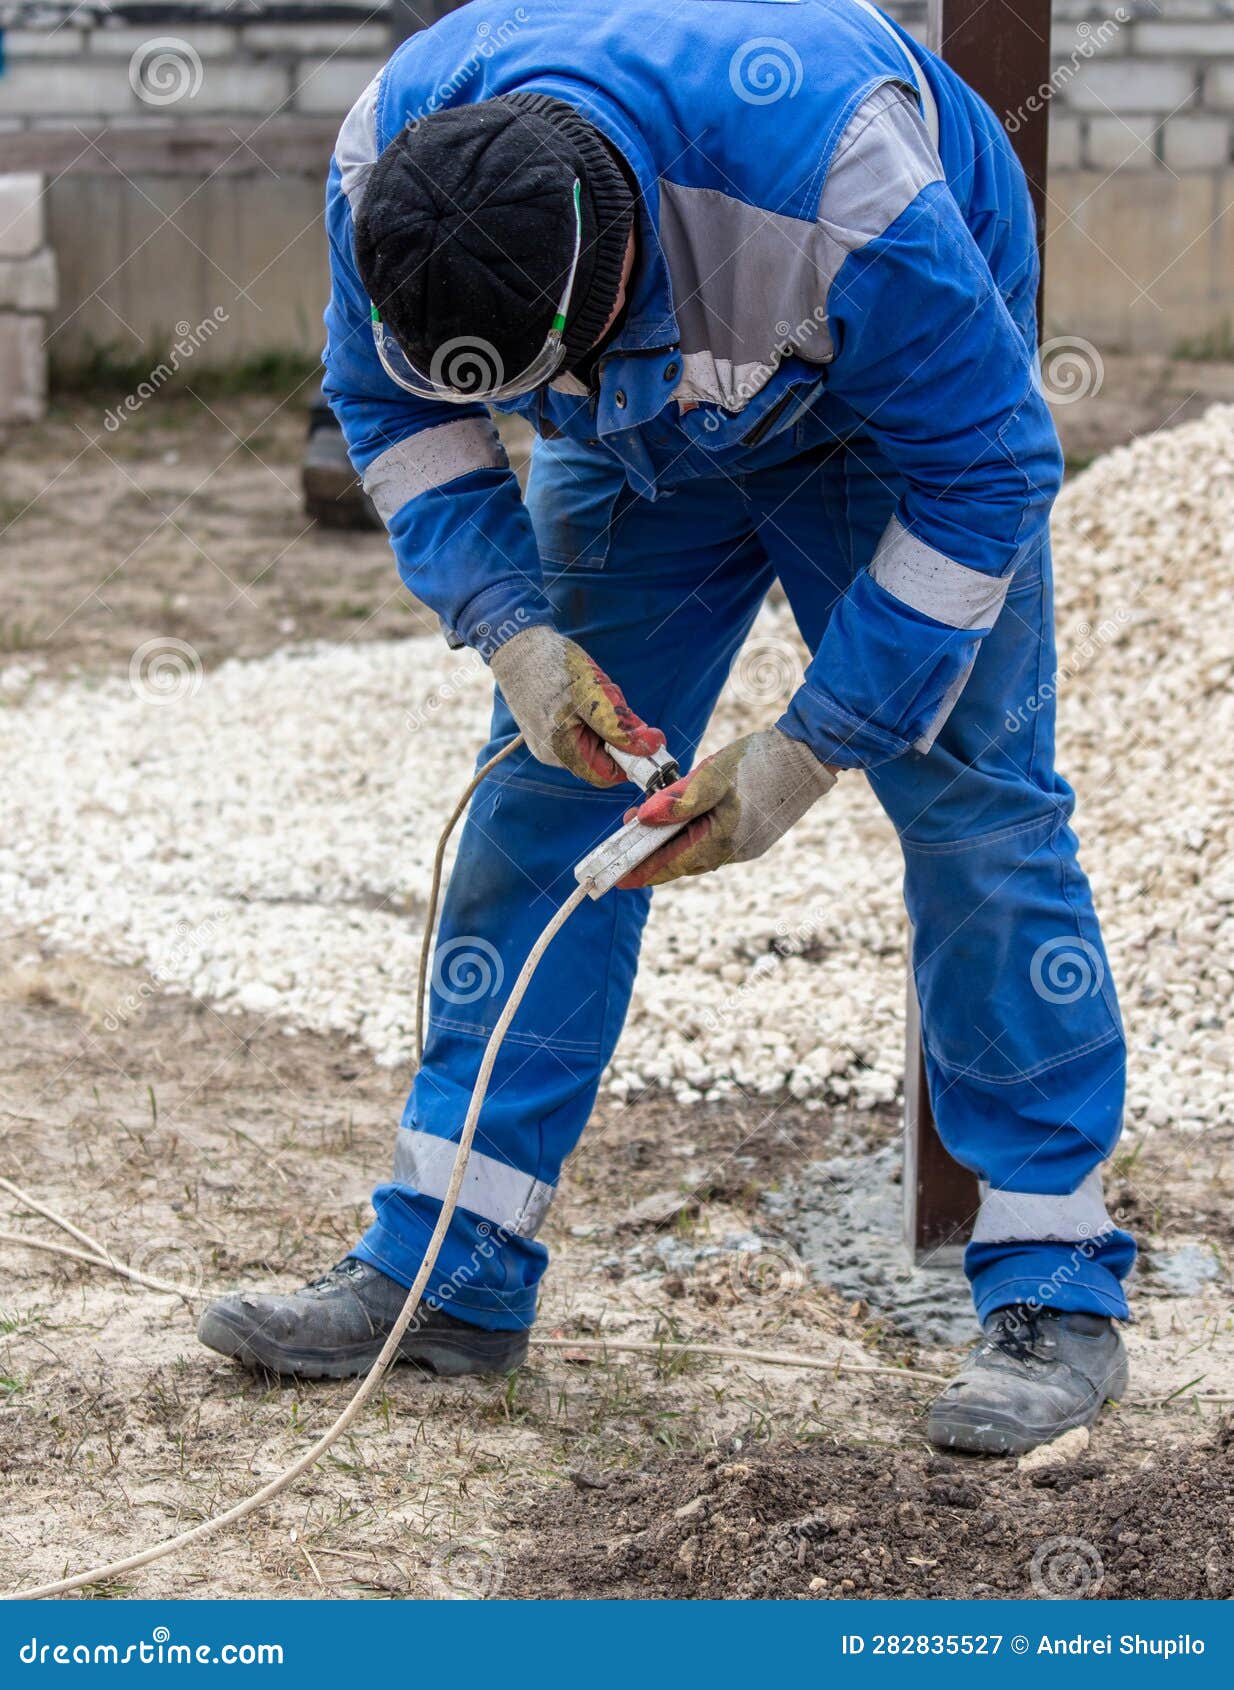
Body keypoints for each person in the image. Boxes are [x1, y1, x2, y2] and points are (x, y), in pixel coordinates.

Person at [200, 0, 1132, 1456]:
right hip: (639, 451)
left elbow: (993, 466)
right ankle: (449, 1266)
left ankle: (1055, 1288)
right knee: (541, 802)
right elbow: (391, 415)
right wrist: (512, 630)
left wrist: (812, 748)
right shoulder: (389, 158)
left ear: (612, 272)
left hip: (890, 428)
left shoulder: (838, 182)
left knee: (976, 813)